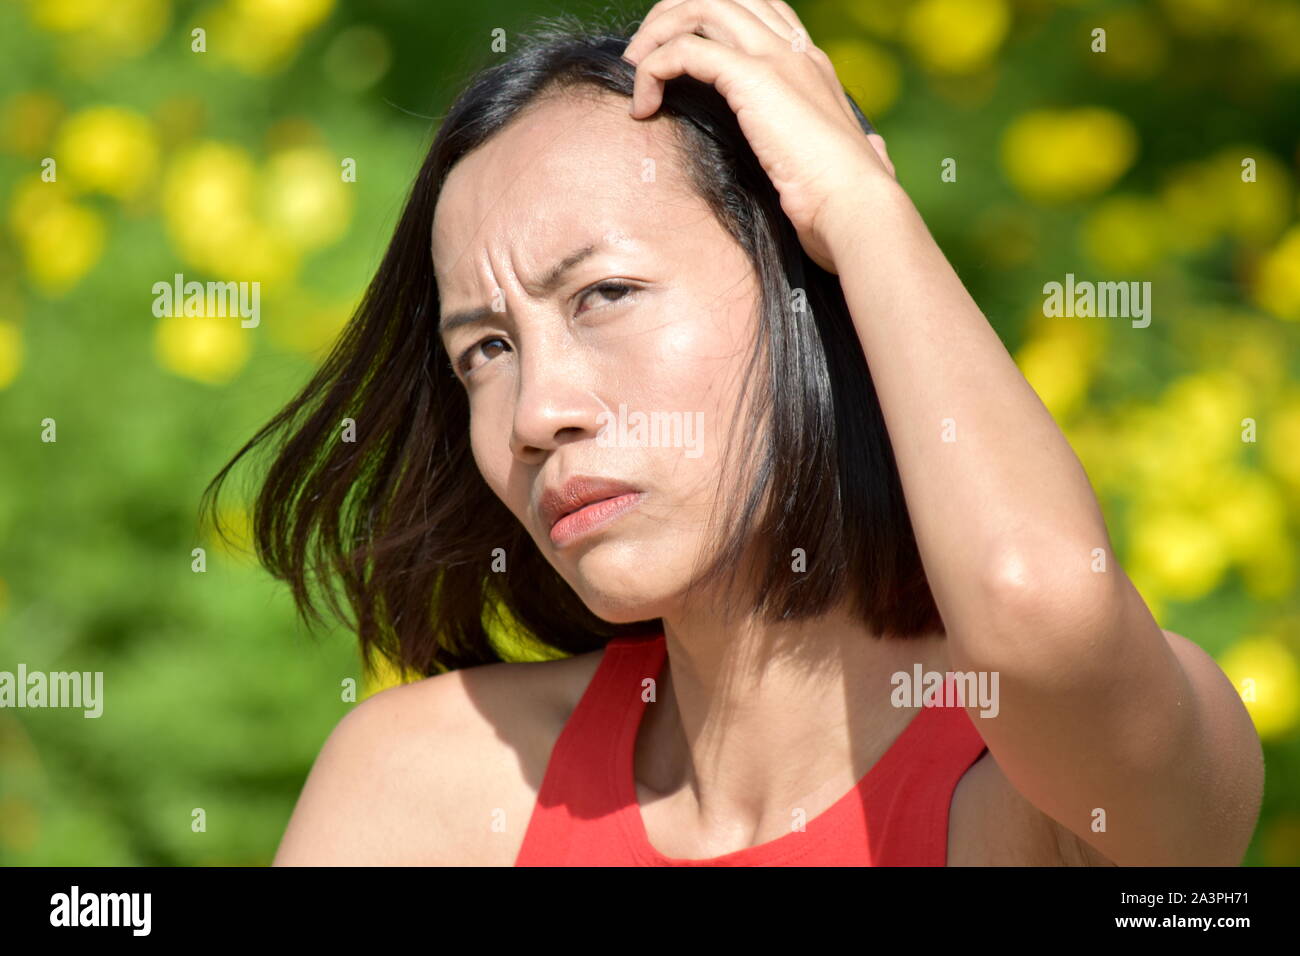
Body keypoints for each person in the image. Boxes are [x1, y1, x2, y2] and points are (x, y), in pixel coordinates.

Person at [208, 4, 1264, 866]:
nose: (536, 413)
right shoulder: (427, 789)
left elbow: (1038, 595)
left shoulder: (1026, 804)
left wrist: (864, 209)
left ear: (809, 280)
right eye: (484, 349)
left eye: (604, 293)